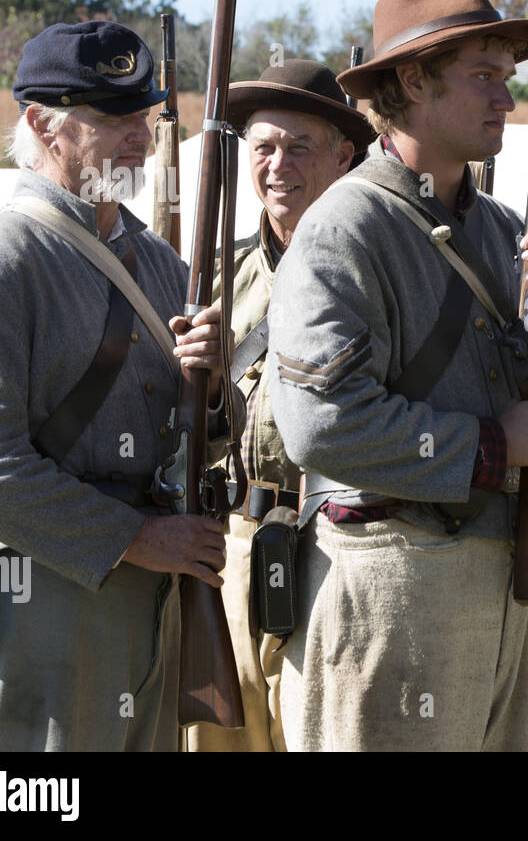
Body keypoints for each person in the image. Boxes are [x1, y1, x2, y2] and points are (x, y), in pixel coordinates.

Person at [265, 0, 528, 751]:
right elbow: (319, 423)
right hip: (389, 583)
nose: (506, 99)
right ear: (413, 82)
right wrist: (495, 447)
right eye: (483, 77)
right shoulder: (344, 228)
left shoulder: (501, 229)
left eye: (507, 78)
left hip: (499, 588)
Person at [0, 20, 238, 751]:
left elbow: (203, 436)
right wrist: (134, 537)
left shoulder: (160, 263)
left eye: (143, 115)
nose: (139, 135)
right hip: (46, 593)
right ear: (43, 123)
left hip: (155, 591)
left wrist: (216, 387)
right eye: (111, 116)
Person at [184, 60, 375, 752]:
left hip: (338, 548)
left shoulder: (376, 267)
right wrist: (204, 392)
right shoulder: (222, 274)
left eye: (299, 147)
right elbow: (188, 437)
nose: (277, 165)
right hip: (233, 545)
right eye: (263, 147)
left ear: (344, 155)